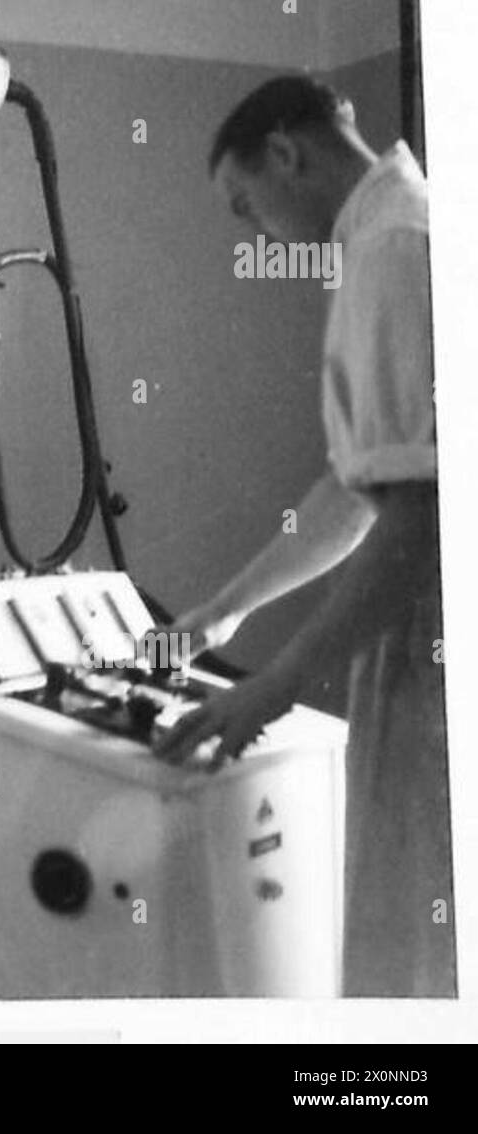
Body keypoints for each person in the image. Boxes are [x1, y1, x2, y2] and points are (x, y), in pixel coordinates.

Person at [153, 77, 455, 997]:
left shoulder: (396, 244)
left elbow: (417, 523)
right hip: (416, 633)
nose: (255, 234)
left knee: (417, 946)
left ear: (286, 152)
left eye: (247, 206)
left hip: (433, 634)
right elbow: (360, 490)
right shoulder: (385, 234)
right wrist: (222, 611)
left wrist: (274, 689)